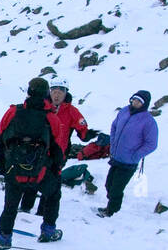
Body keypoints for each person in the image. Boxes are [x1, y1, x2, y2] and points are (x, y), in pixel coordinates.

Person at [0, 77, 64, 246]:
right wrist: (56, 170)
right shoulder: (51, 118)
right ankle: (48, 231)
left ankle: (5, 238)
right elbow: (57, 149)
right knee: (53, 195)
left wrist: (2, 166)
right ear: (46, 93)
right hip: (40, 171)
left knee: (10, 206)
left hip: (14, 170)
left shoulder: (12, 112)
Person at [19, 79, 88, 215]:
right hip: (39, 152)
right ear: (49, 92)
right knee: (32, 179)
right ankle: (26, 207)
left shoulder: (71, 111)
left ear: (65, 94)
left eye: (60, 93)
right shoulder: (42, 107)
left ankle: (42, 211)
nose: (56, 96)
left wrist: (84, 133)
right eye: (54, 92)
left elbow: (83, 128)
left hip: (58, 155)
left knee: (51, 184)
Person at [97, 90, 158, 218]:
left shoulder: (148, 121)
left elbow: (151, 144)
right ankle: (111, 206)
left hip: (129, 162)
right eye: (134, 99)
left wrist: (135, 156)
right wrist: (112, 144)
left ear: (145, 104)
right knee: (109, 184)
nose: (135, 103)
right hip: (116, 157)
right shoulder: (124, 111)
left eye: (139, 101)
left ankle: (112, 211)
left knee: (116, 189)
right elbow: (114, 127)